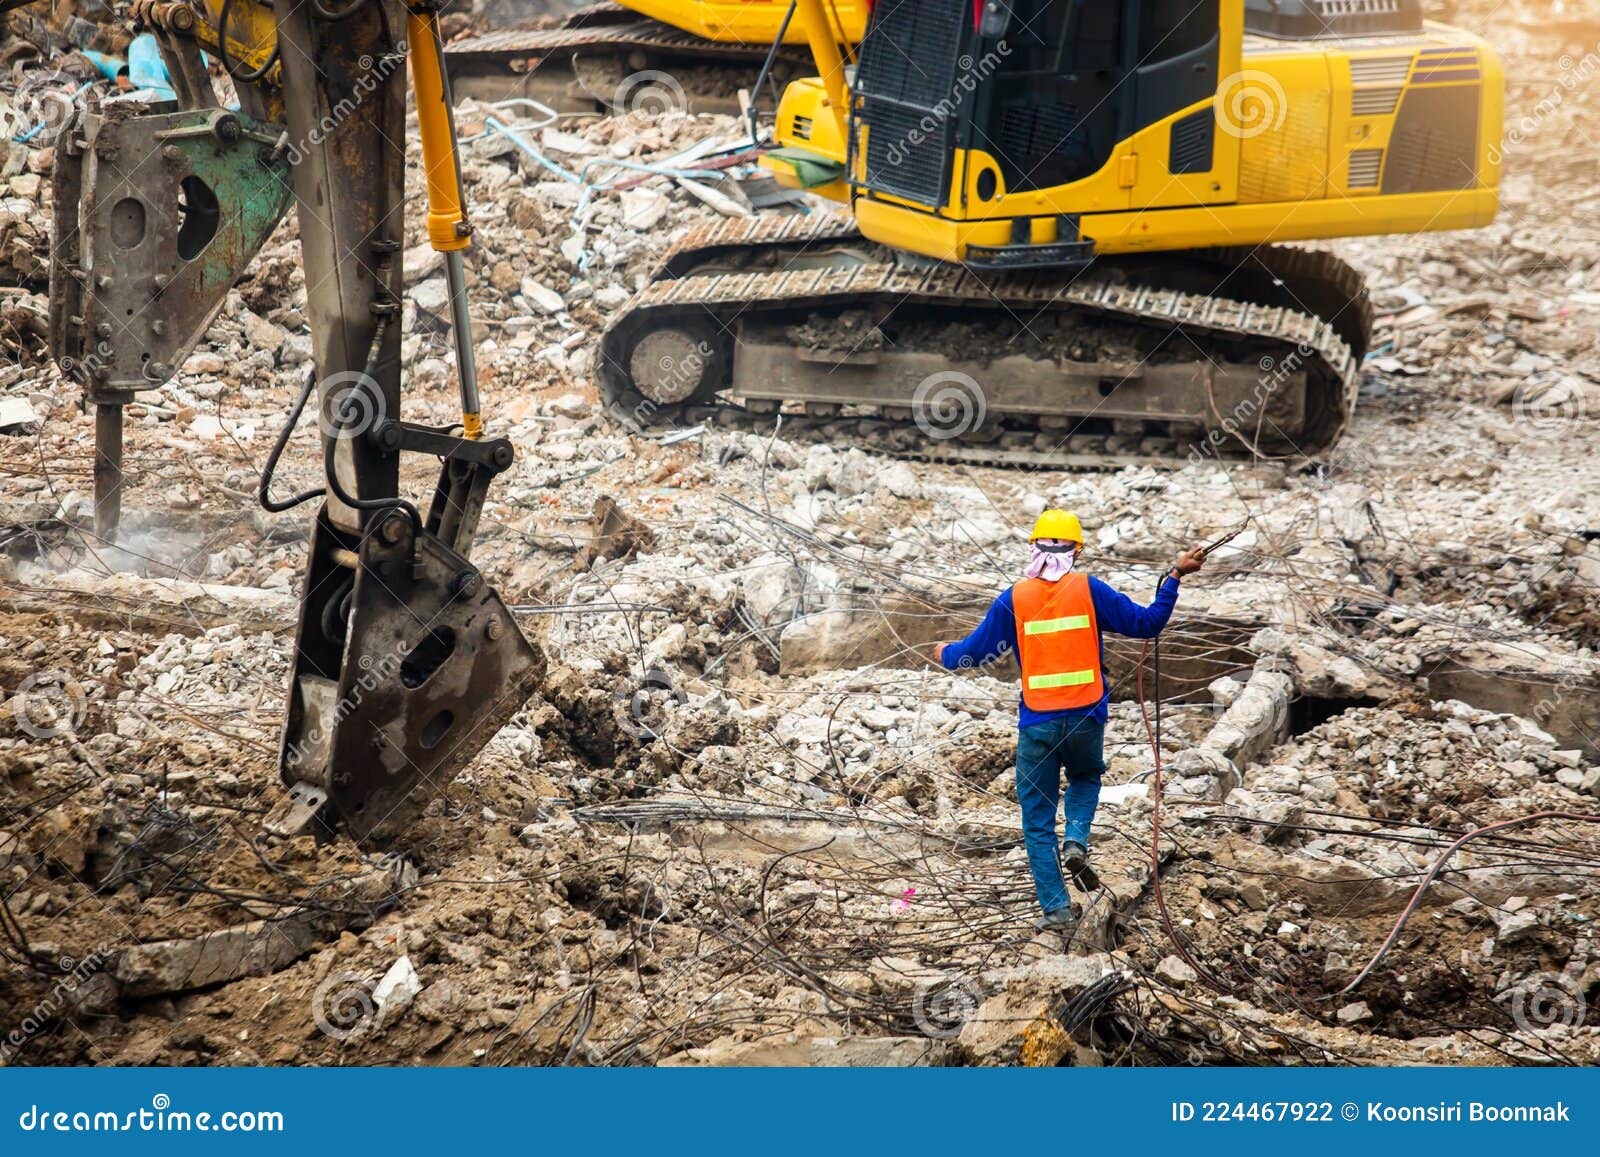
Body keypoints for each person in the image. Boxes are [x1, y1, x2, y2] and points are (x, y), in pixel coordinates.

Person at [933, 509, 1207, 931]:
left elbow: (973, 654)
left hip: (1037, 724)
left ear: (1034, 548)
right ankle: (1077, 837)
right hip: (1086, 718)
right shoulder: (1089, 590)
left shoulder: (1015, 598)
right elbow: (1149, 623)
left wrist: (944, 652)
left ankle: (1057, 911)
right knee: (1085, 778)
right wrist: (1174, 576)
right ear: (1076, 551)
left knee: (1037, 818)